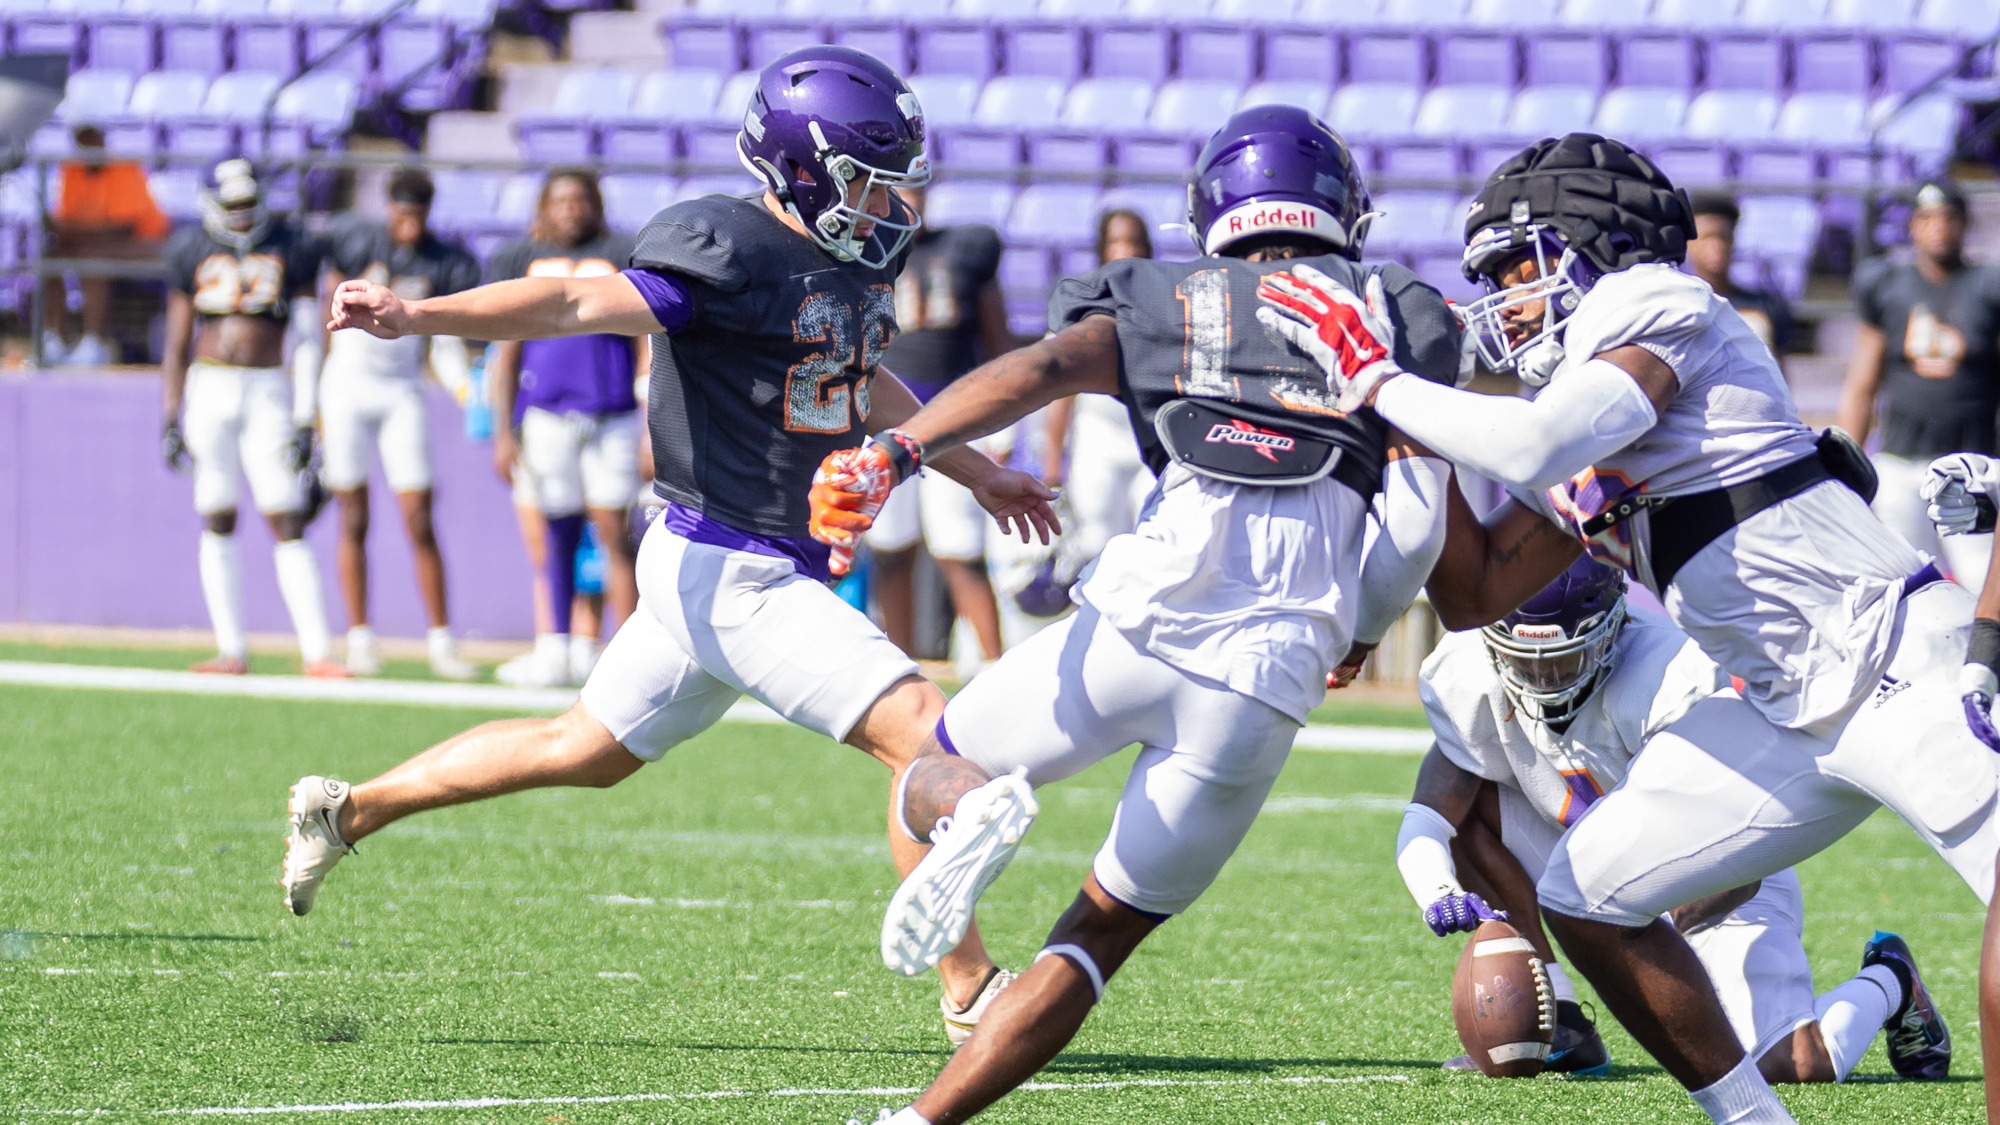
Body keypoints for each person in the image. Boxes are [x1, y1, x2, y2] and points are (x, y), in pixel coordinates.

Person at [283, 46, 1058, 1046]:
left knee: (582, 751)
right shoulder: (721, 248)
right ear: (804, 168)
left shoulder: (853, 264)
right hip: (725, 564)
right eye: (870, 181)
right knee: (923, 729)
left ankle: (348, 812)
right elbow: (571, 302)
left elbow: (857, 381)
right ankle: (969, 989)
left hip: (732, 564)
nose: (892, 204)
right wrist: (418, 314)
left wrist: (975, 467)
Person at [1257, 132, 1981, 1125]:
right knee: (1585, 890)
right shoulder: (1584, 396)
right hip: (1778, 710)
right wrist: (1395, 430)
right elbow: (1474, 593)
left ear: (1585, 241)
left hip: (1886, 658)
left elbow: (1533, 440)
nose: (1504, 296)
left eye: (1514, 265)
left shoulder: (1659, 302)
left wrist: (1377, 379)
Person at [818, 105, 1458, 1124]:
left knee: (927, 768)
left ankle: (970, 805)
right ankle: (917, 1123)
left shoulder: (1168, 292)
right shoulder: (1398, 306)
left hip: (1134, 620)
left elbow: (1034, 373)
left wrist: (894, 452)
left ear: (1213, 207)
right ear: (1343, 207)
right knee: (1093, 938)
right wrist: (1363, 628)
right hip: (1264, 675)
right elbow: (1418, 528)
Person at [1405, 557, 1931, 1086]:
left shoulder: (1674, 676)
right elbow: (1431, 814)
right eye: (1525, 661)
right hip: (1586, 855)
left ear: (1615, 628)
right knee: (1473, 809)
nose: (1544, 677)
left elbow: (1736, 851)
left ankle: (1891, 979)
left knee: (1796, 1064)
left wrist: (1632, 930)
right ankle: (1562, 1022)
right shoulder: (1465, 673)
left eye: (1565, 659)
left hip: (1713, 876)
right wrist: (1436, 890)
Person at [160, 158, 343, 678]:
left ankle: (318, 652)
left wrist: (307, 415)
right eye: (232, 205)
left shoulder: (293, 245)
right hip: (209, 386)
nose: (241, 216)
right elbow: (175, 345)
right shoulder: (190, 248)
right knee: (216, 510)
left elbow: (308, 338)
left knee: (285, 514)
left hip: (267, 388)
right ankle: (230, 648)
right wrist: (171, 416)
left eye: (247, 203)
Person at [320, 169, 482, 680]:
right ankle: (361, 637)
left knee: (418, 516)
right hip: (346, 387)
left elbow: (447, 340)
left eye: (417, 213)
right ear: (389, 208)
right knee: (353, 516)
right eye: (401, 211)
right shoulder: (357, 241)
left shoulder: (441, 260)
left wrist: (464, 391)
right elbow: (322, 301)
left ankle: (440, 641)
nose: (408, 223)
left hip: (401, 390)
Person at [485, 170, 643, 688]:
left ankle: (627, 651)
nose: (571, 209)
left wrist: (648, 420)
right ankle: (556, 646)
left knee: (615, 532)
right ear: (544, 208)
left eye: (580, 199)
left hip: (612, 412)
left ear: (596, 205)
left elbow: (647, 337)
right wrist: (503, 431)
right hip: (547, 413)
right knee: (557, 531)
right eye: (561, 200)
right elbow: (505, 353)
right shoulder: (522, 259)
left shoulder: (621, 252)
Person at [863, 182, 1017, 670]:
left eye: (916, 190)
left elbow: (999, 341)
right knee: (890, 549)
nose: (910, 201)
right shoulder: (865, 251)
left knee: (959, 550)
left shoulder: (966, 248)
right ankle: (900, 665)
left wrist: (1004, 423)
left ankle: (995, 664)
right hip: (884, 424)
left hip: (953, 418)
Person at [1839, 180, 2000, 588]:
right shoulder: (1889, 285)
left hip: (1970, 464)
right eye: (1927, 218)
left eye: (1948, 218)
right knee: (1904, 583)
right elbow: (1863, 382)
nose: (1939, 228)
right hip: (1900, 461)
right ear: (1912, 226)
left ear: (1964, 225)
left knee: (1983, 582)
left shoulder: (1987, 286)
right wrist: (1845, 462)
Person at [1038, 209, 1157, 566]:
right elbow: (1061, 391)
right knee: (1096, 548)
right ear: (1102, 249)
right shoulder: (1082, 304)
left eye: (1134, 241)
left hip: (1149, 447)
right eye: (1117, 242)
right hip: (1099, 445)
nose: (1126, 250)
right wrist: (1052, 464)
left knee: (1155, 546)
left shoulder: (1167, 301)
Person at [45, 121, 170, 366]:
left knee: (94, 256)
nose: (88, 144)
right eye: (82, 138)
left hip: (145, 244)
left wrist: (78, 231)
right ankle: (55, 339)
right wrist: (73, 231)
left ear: (102, 139)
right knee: (51, 254)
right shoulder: (72, 170)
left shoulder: (123, 167)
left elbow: (124, 227)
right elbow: (66, 222)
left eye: (92, 136)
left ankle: (96, 343)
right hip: (92, 243)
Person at [1685, 192, 1796, 368]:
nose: (1717, 246)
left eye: (1723, 237)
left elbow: (1779, 372)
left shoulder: (1764, 305)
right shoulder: (1678, 303)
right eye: (1708, 237)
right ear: (1689, 243)